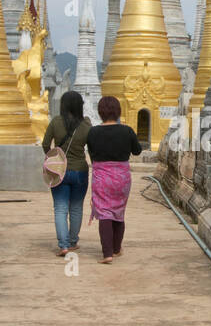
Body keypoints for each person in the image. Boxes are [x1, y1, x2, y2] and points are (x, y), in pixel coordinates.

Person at [85, 96, 142, 264]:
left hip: (102, 177)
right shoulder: (127, 131)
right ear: (118, 111)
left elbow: (92, 152)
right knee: (118, 212)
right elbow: (137, 151)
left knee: (104, 213)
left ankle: (107, 253)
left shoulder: (93, 132)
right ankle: (117, 249)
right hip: (122, 178)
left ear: (100, 112)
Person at [42, 91, 92, 256]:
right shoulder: (86, 125)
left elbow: (45, 144)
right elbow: (91, 148)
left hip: (59, 171)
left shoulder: (56, 122)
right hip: (80, 171)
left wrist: (53, 157)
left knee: (60, 208)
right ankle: (72, 242)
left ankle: (63, 245)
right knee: (76, 208)